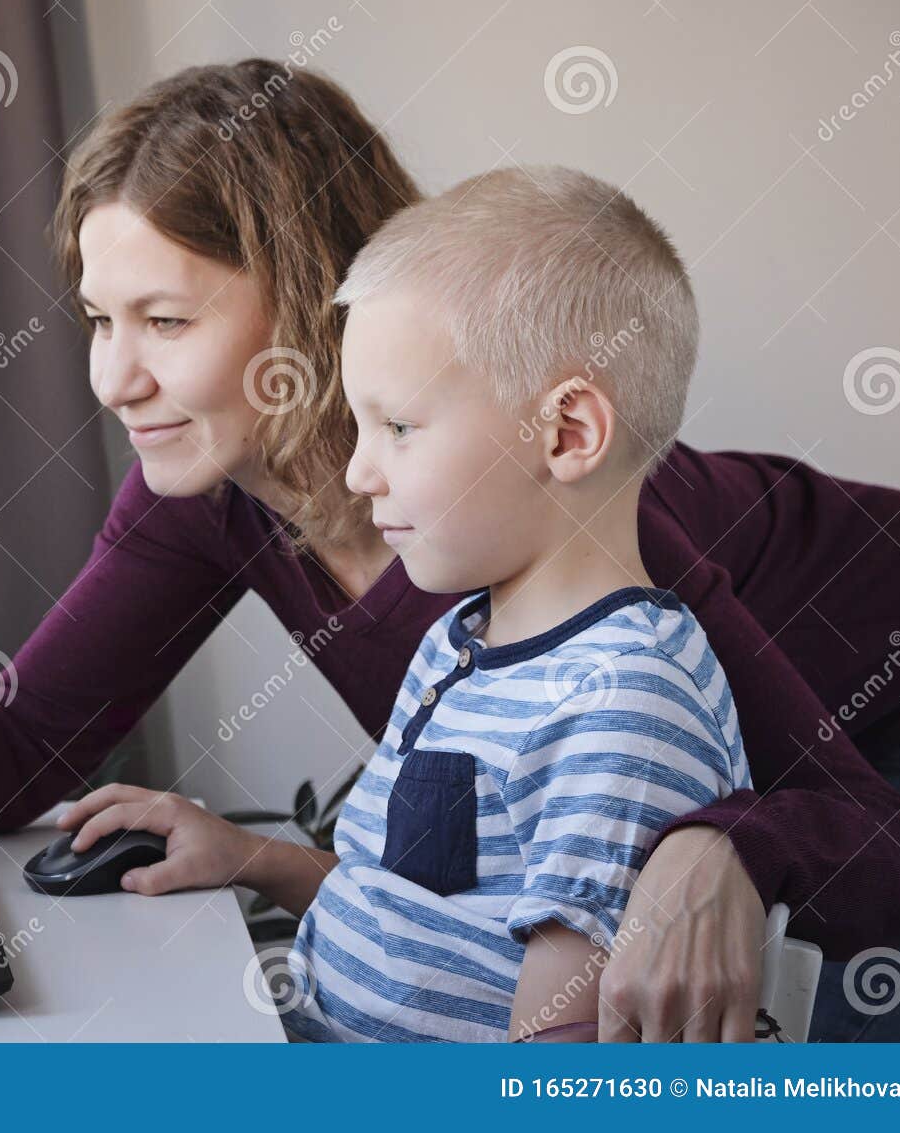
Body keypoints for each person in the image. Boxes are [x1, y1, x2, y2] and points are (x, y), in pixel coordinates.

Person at [0, 60, 900, 1041]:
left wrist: (724, 838)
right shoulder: (211, 491)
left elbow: (882, 842)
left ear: (313, 300)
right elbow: (20, 756)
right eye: (99, 319)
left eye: (165, 321)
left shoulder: (577, 516)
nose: (114, 379)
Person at [256, 163, 746, 1041]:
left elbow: (556, 1058)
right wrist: (244, 858)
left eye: (397, 427)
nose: (359, 472)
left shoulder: (624, 702)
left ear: (566, 433)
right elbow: (395, 892)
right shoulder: (459, 638)